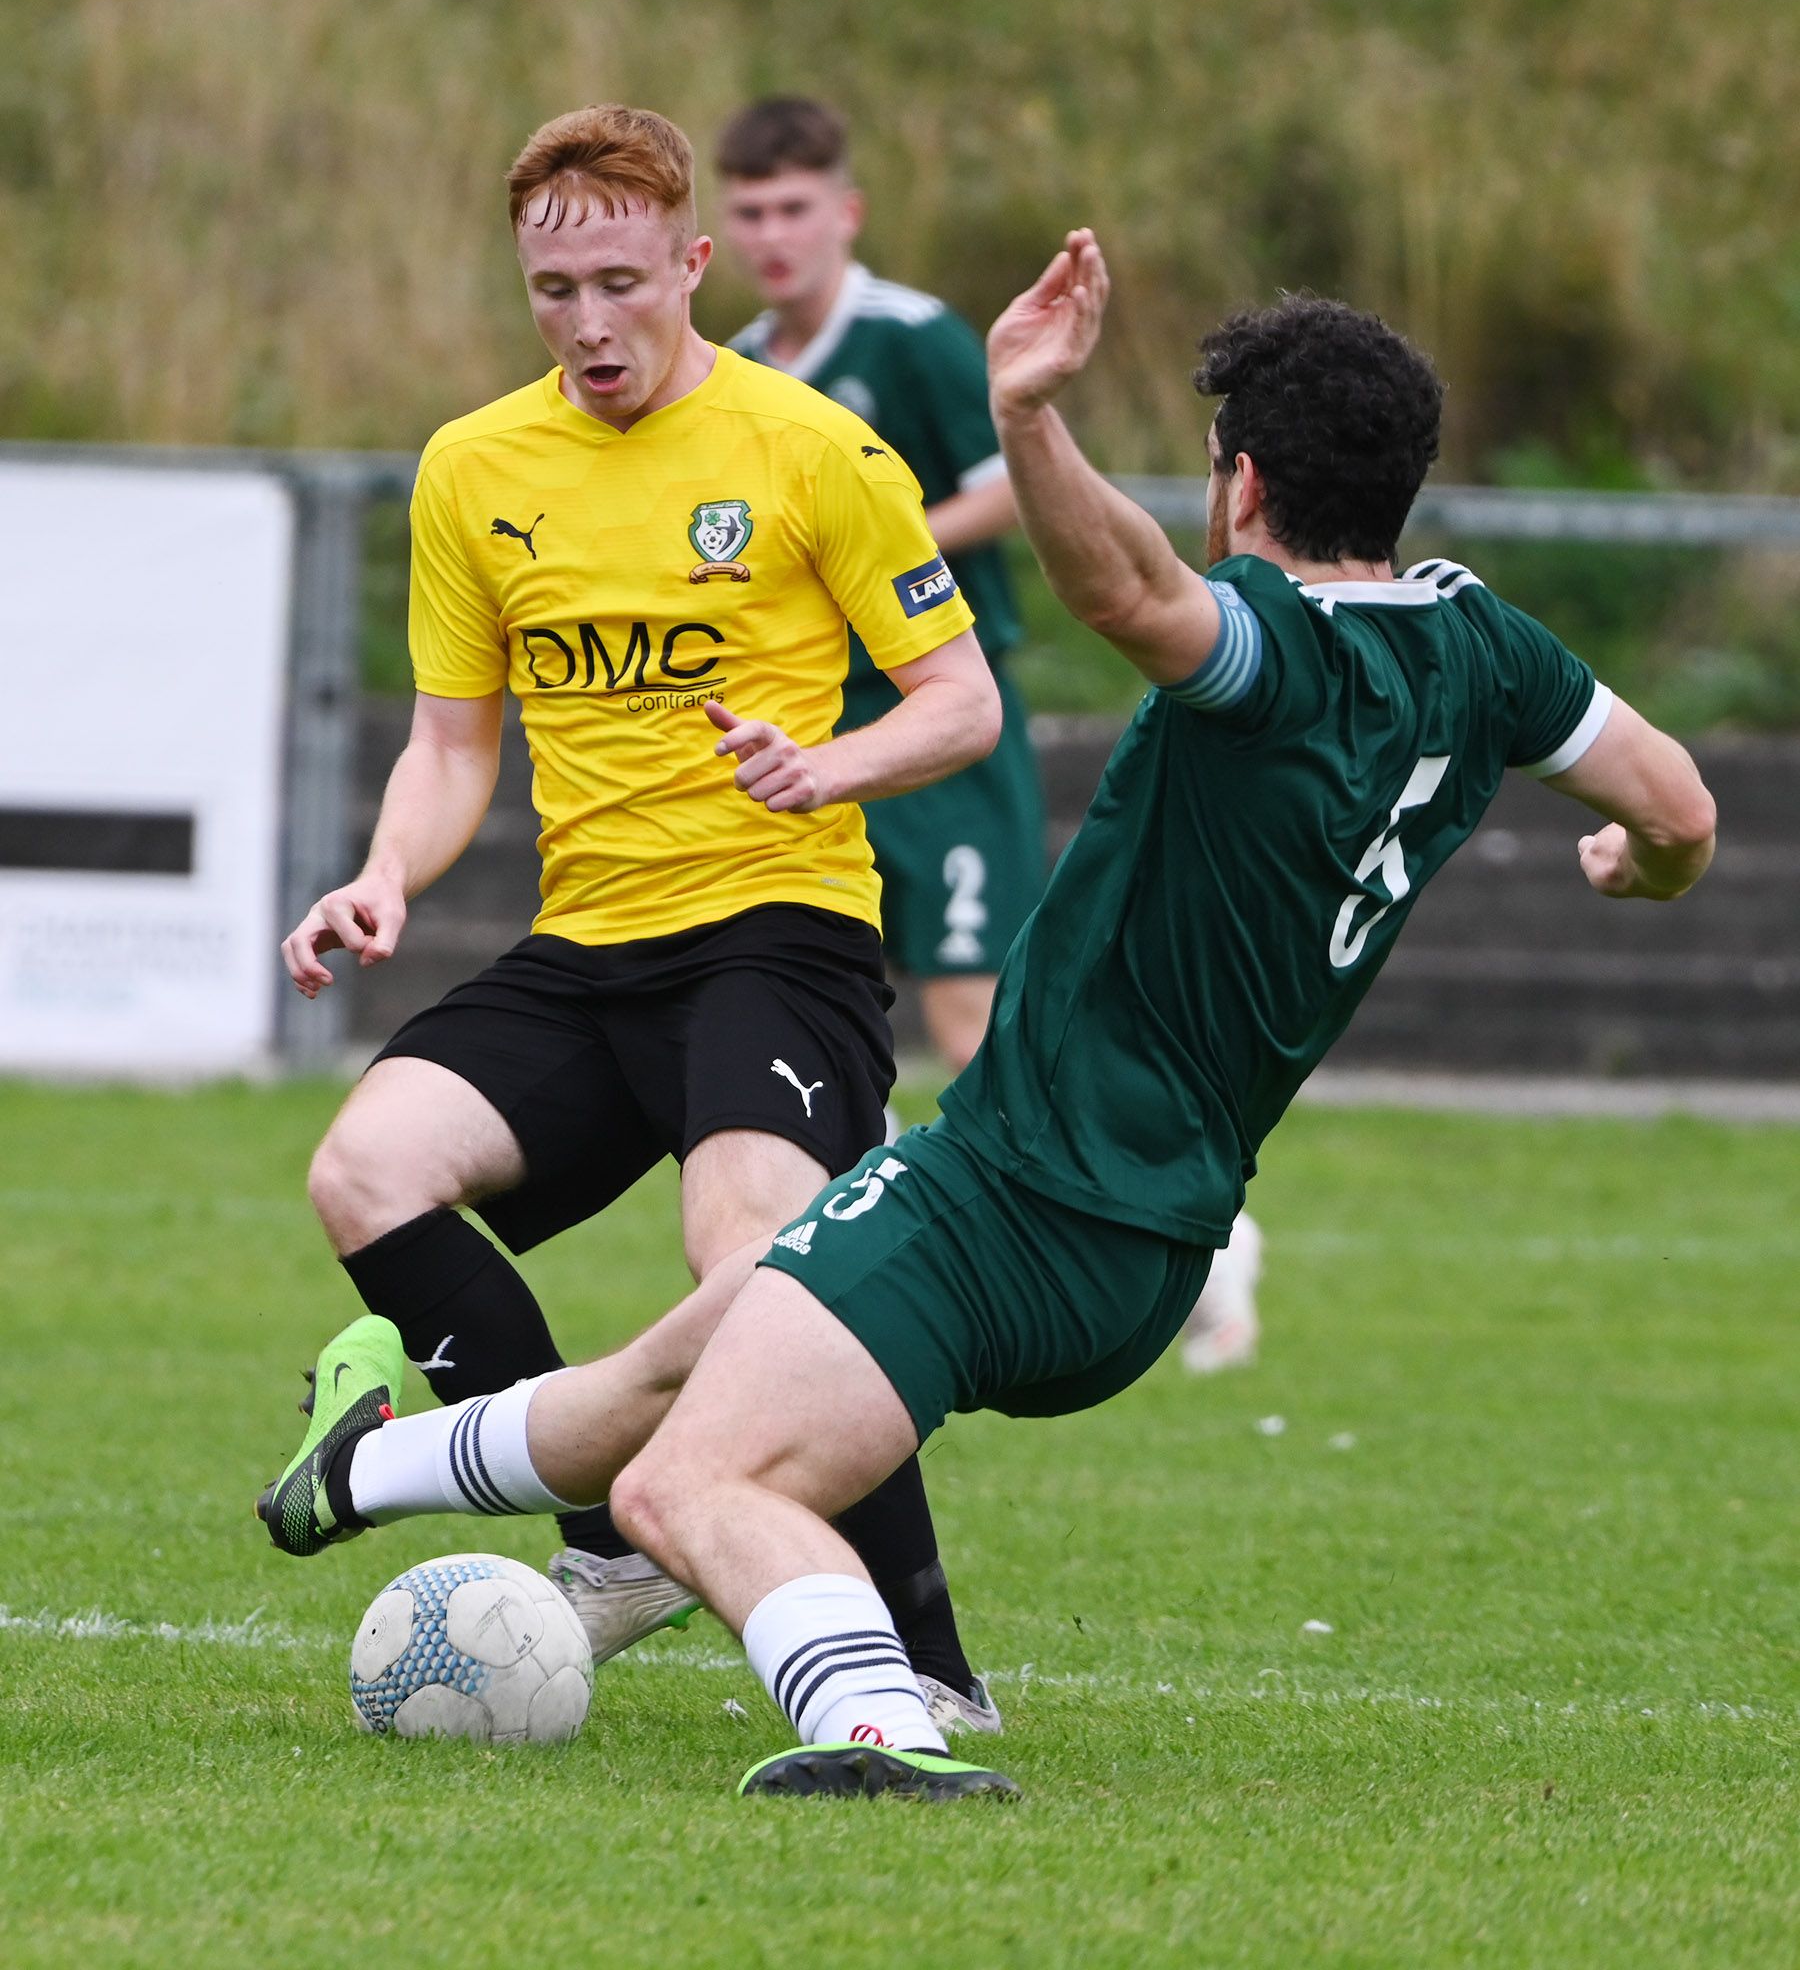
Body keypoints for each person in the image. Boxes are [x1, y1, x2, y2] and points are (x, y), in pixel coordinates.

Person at [258, 234, 1717, 1803]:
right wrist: (1642, 863)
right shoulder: (1482, 647)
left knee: (689, 1487)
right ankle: (360, 1472)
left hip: (1012, 1193)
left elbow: (1124, 589)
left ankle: (888, 1725)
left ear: (1237, 486)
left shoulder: (1271, 653)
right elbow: (1682, 800)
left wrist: (1029, 415)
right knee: (694, 1342)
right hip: (1151, 1248)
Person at [268, 103, 1006, 1738]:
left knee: (763, 1266)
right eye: (553, 292)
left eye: (619, 282)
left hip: (781, 930)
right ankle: (610, 1536)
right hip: (589, 947)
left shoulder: (813, 450)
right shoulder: (476, 465)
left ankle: (928, 1670)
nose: (589, 325)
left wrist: (828, 768)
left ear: (692, 263)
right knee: (366, 1168)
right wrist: (390, 872)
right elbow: (455, 739)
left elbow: (960, 705)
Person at [716, 97, 1047, 1076]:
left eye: (792, 208)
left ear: (846, 212)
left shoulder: (914, 336)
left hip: (937, 720)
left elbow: (1009, 492)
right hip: (801, 728)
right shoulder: (729, 369)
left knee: (970, 1011)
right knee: (807, 1015)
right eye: (750, 213)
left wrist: (863, 556)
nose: (772, 235)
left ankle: (1143, 1219)